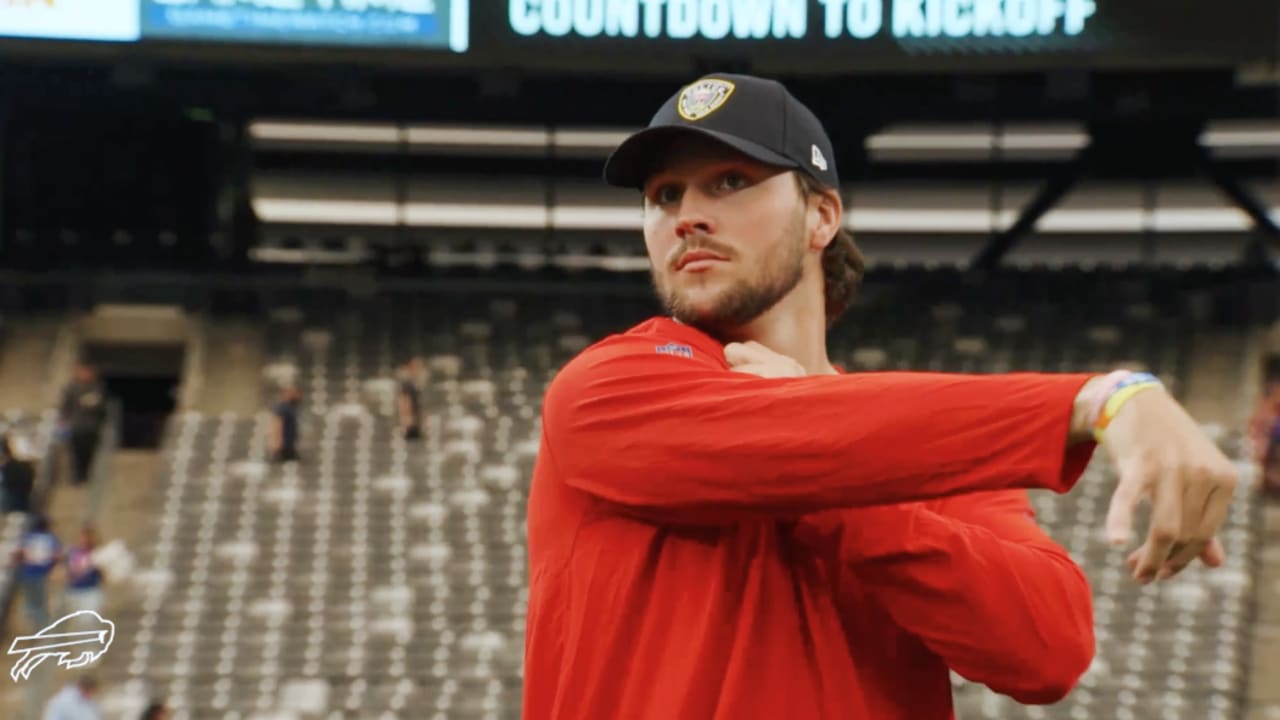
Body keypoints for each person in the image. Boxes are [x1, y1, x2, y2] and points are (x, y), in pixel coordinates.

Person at [522, 73, 1238, 719]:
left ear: (821, 217)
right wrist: (1097, 399)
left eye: (731, 181)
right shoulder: (610, 385)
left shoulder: (910, 444)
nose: (686, 216)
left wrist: (866, 512)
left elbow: (1049, 650)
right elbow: (788, 441)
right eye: (662, 196)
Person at [58, 362, 107, 486]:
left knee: (89, 453)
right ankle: (76, 477)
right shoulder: (71, 388)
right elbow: (65, 406)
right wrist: (64, 421)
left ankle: (87, 477)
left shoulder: (97, 387)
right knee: (75, 452)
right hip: (76, 426)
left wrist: (94, 404)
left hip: (92, 427)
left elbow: (102, 407)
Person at [14, 514, 61, 631]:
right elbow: (56, 556)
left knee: (32, 603)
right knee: (41, 604)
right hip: (41, 575)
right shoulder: (51, 538)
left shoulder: (27, 537)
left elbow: (19, 554)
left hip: (27, 574)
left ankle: (36, 626)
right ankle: (43, 629)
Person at [63, 525, 106, 623]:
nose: (84, 540)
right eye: (82, 537)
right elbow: (66, 572)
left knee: (89, 623)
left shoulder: (96, 553)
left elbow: (104, 576)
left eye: (87, 537)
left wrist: (97, 566)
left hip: (90, 591)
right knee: (77, 624)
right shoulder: (72, 552)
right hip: (73, 591)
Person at [0, 433, 35, 515]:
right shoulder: (23, 465)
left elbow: (8, 484)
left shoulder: (10, 468)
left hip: (13, 507)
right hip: (22, 504)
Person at [268, 385, 301, 463]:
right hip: (283, 446)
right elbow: (276, 425)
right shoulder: (282, 407)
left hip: (289, 445)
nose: (297, 395)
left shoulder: (291, 407)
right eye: (293, 393)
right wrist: (276, 443)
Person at [397, 357, 426, 441]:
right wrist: (407, 419)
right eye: (416, 367)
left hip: (417, 420)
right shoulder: (407, 385)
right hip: (410, 421)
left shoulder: (417, 384)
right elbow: (404, 402)